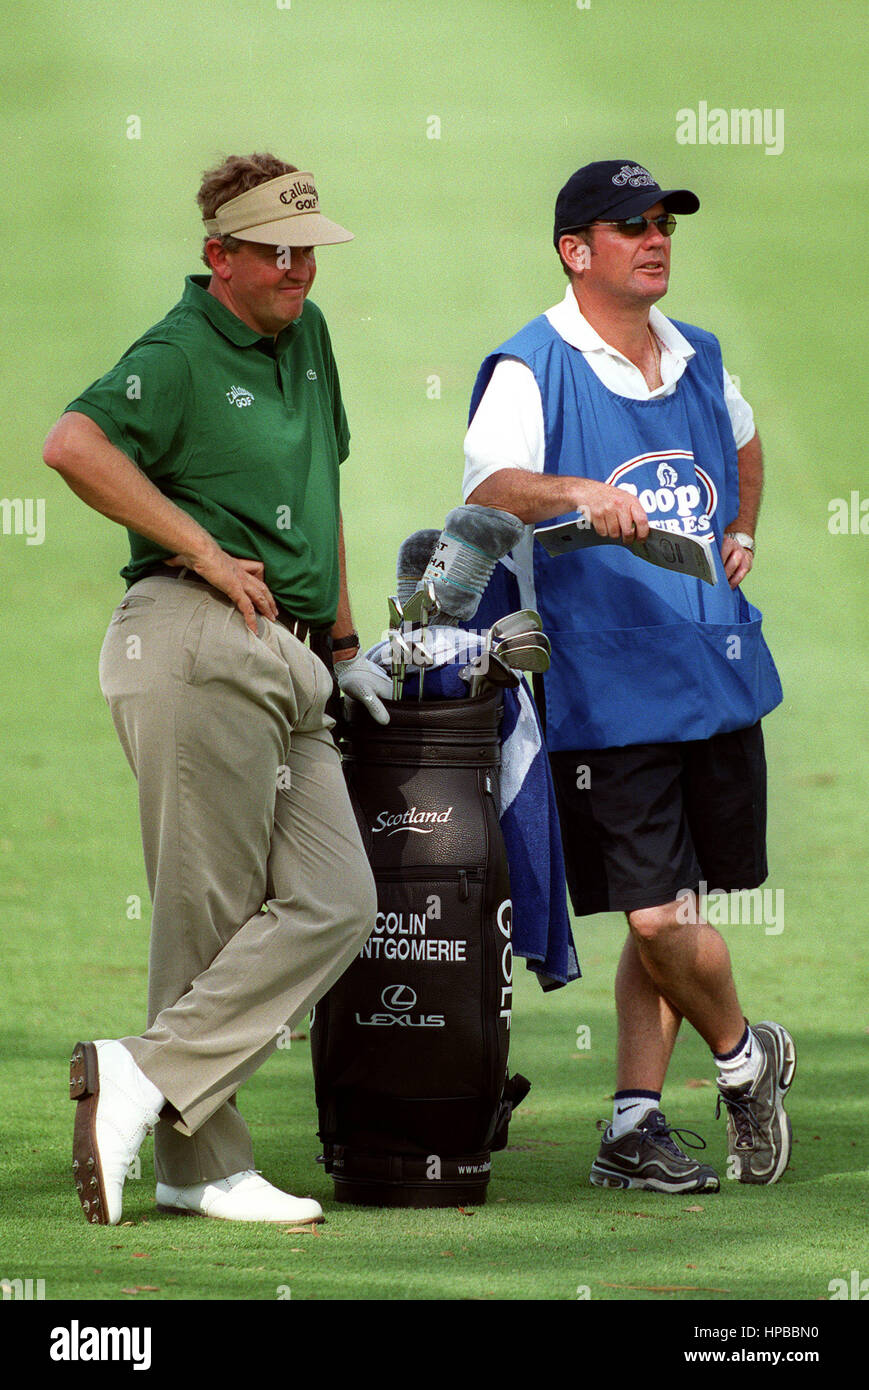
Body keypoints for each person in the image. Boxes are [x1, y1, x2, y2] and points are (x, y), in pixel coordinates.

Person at [44, 153, 391, 1226]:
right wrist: (196, 545)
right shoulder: (180, 350)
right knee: (206, 910)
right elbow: (73, 443)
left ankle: (143, 1078)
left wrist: (341, 646)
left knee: (337, 901)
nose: (297, 271)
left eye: (307, 251)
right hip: (194, 642)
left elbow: (320, 491)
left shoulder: (308, 336)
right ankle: (202, 1164)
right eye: (274, 253)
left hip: (287, 656)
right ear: (219, 256)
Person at [462, 159, 795, 1193]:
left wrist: (739, 527)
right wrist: (572, 490)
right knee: (655, 918)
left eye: (661, 225)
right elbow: (488, 488)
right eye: (628, 226)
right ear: (575, 251)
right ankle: (744, 1057)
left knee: (675, 905)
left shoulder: (696, 357)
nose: (654, 240)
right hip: (606, 692)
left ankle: (633, 1122)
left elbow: (740, 444)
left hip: (709, 670)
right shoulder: (531, 367)